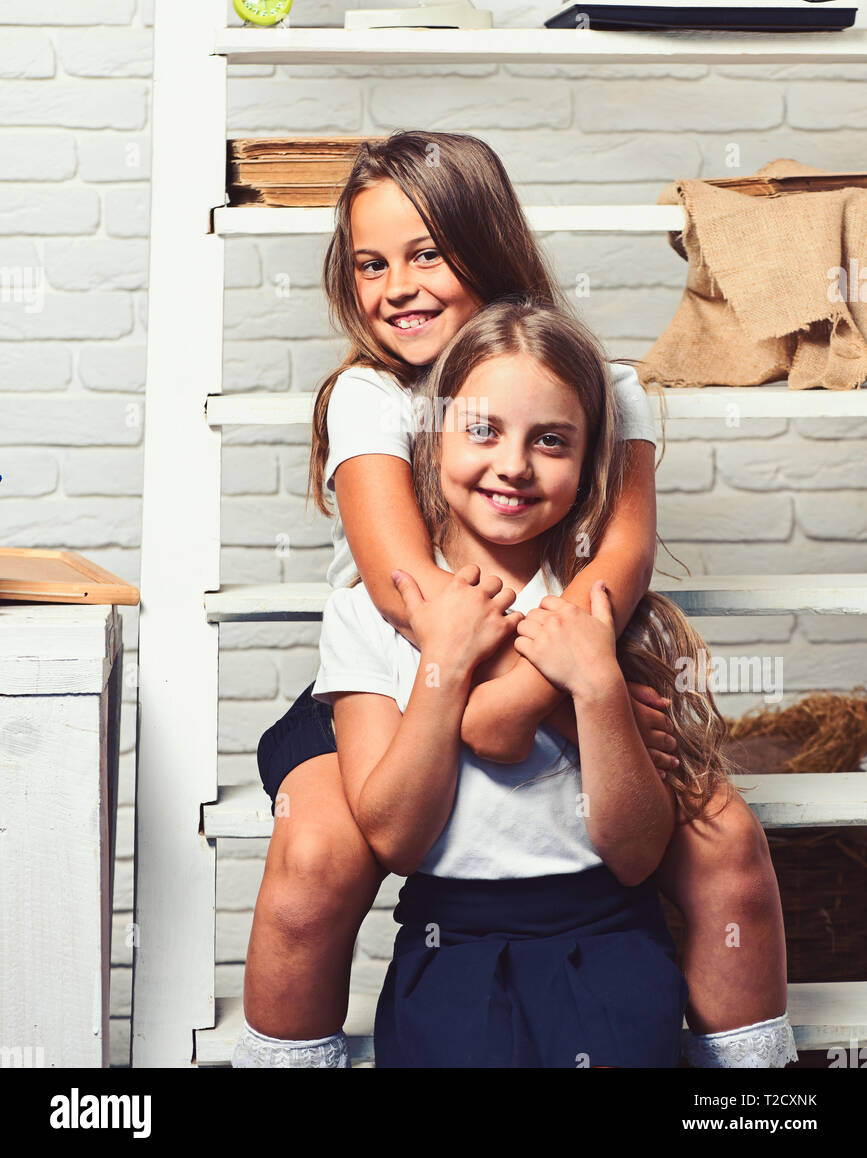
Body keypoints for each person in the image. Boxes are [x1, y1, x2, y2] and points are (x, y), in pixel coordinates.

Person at [233, 132, 794, 1070]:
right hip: (393, 668)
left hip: (571, 650)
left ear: (486, 246)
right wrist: (496, 693)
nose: (397, 285)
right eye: (371, 263)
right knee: (317, 862)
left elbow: (622, 553)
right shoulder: (375, 393)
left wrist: (568, 674)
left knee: (726, 844)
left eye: (425, 253)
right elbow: (400, 586)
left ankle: (747, 1096)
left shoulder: (604, 387)